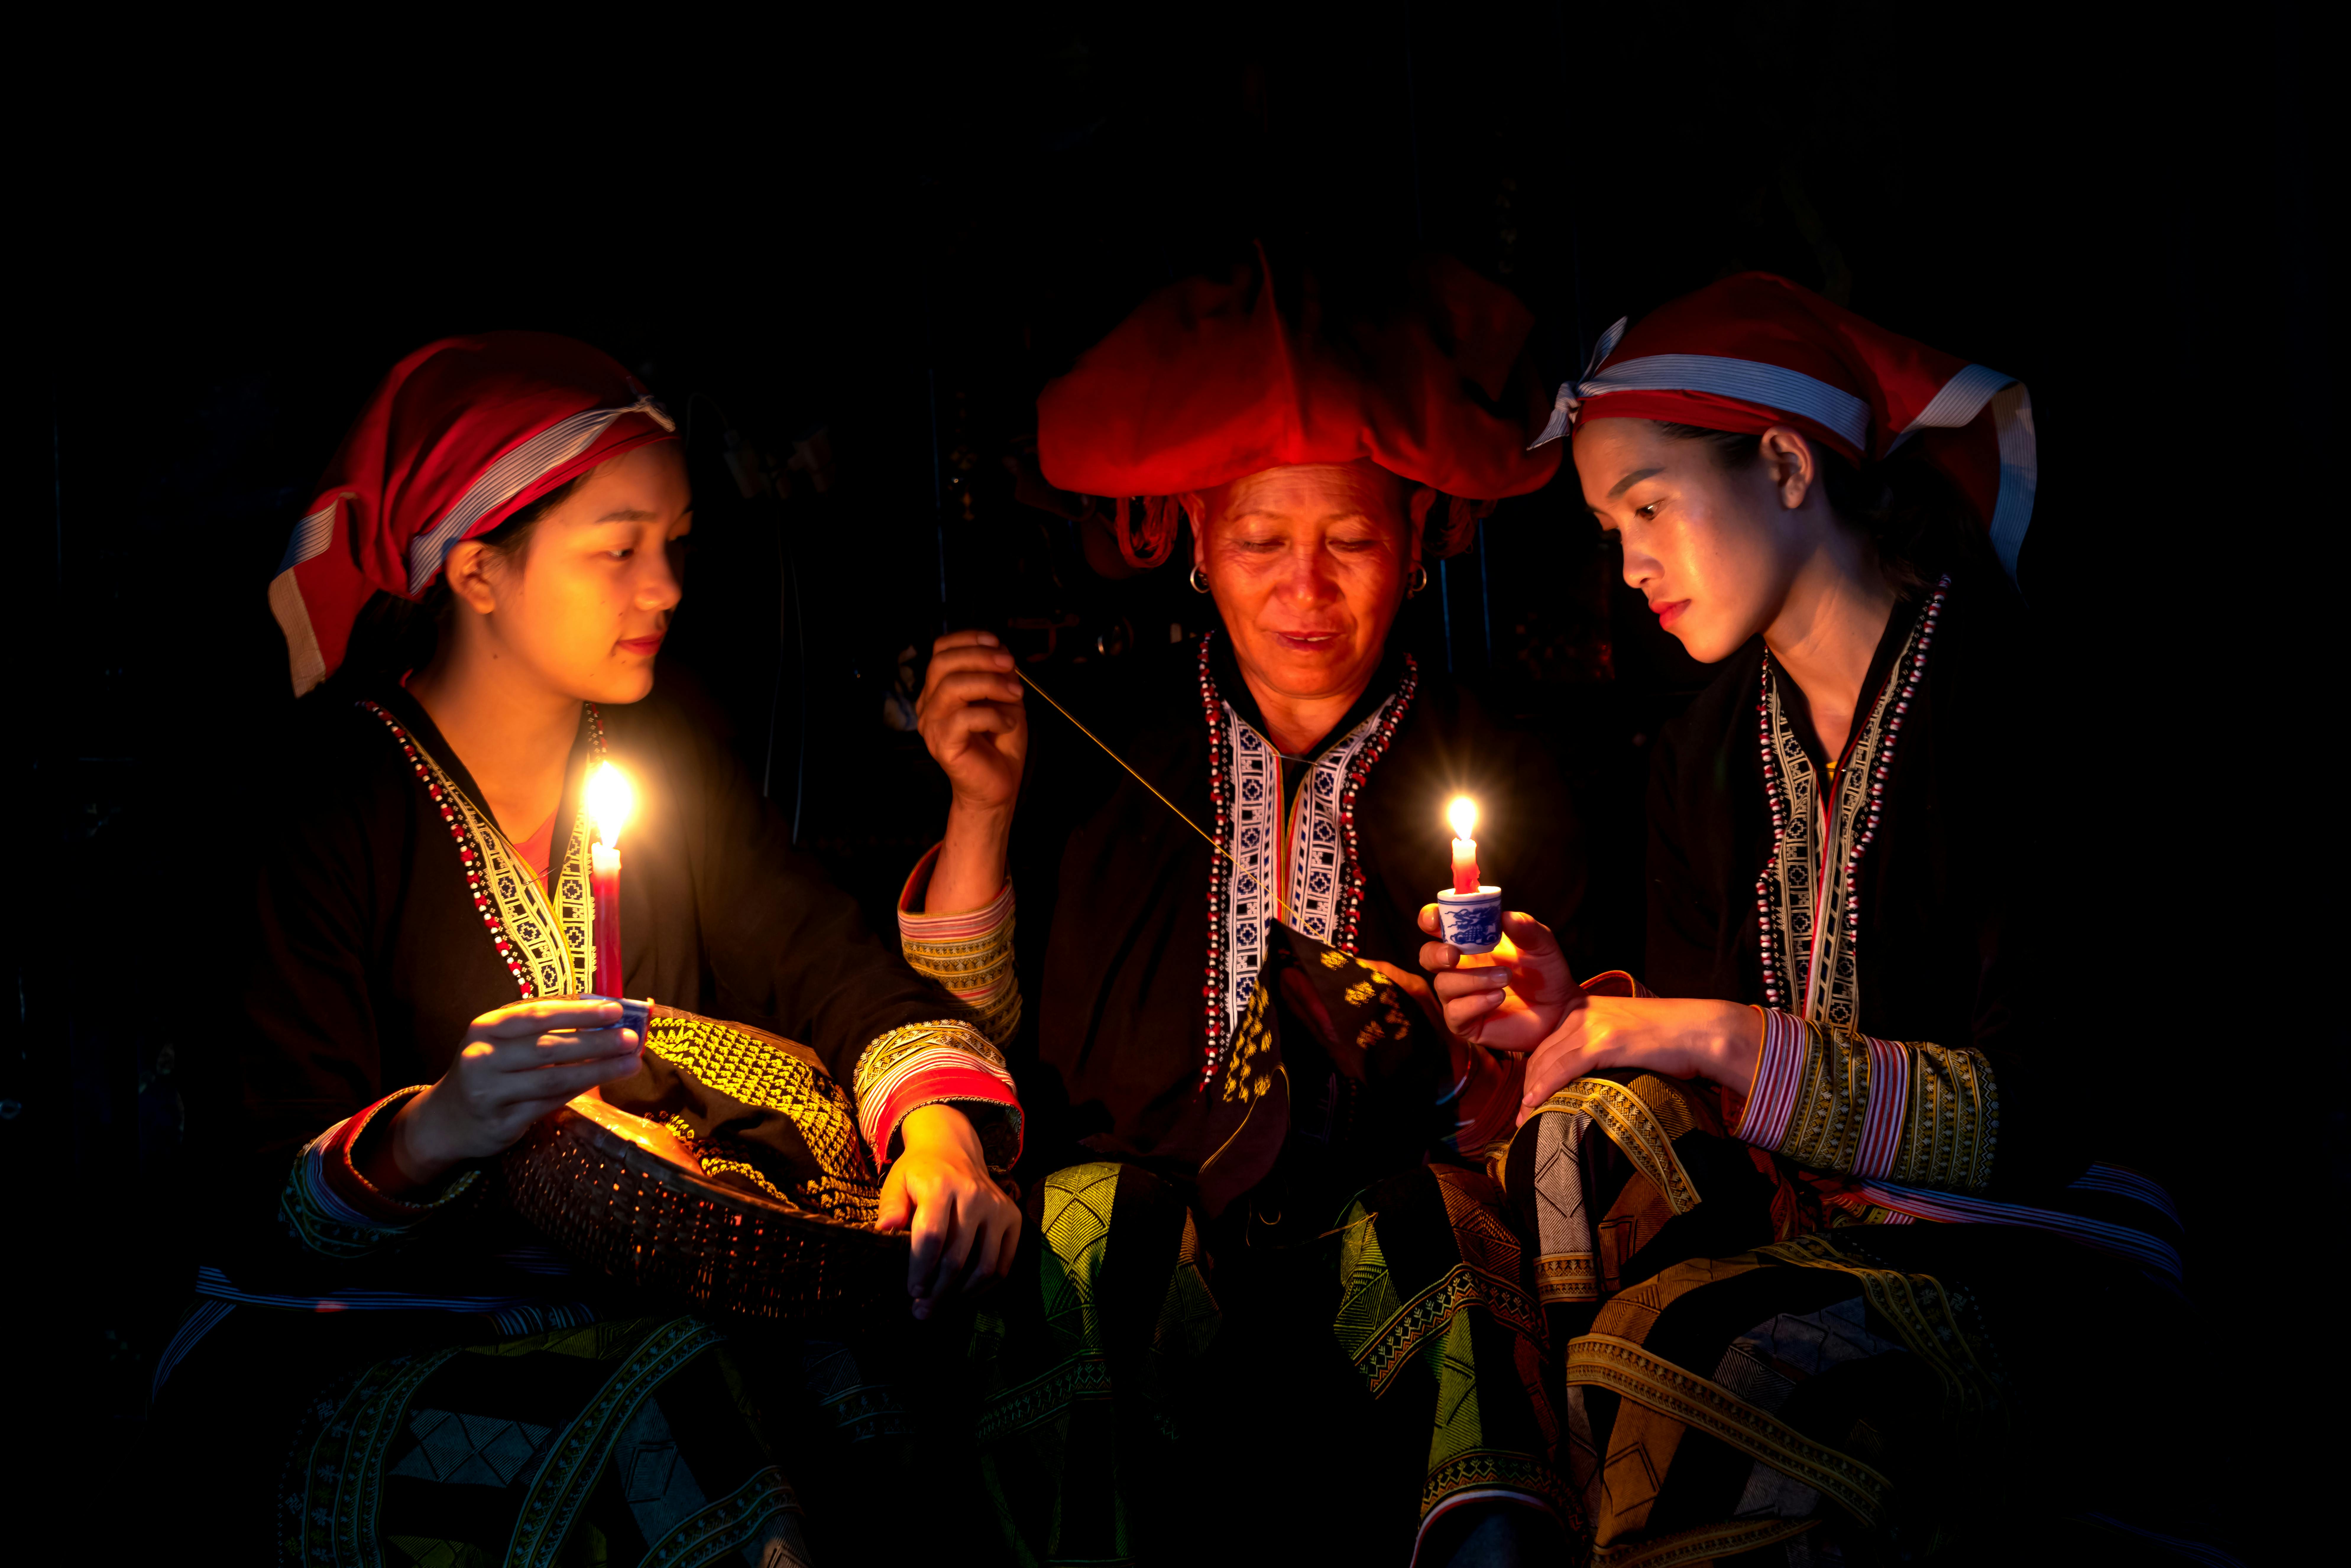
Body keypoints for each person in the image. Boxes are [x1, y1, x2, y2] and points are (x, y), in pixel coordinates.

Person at [154, 333, 1022, 1567]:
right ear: (479, 572)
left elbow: (828, 961)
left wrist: (935, 1133)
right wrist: (433, 1129)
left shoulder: (657, 759)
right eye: (617, 550)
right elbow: (262, 1192)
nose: (663, 588)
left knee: (859, 1374)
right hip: (346, 1336)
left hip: (641, 1305)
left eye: (673, 545)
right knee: (687, 1400)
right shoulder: (325, 806)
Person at [1422, 274, 2219, 1561]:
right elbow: (1705, 1077)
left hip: (2044, 1241)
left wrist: (1722, 1040)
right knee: (1565, 1143)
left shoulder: (2017, 696)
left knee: (1691, 1348)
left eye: (1648, 507)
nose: (1627, 566)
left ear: (1783, 465)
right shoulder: (1700, 748)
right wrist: (1577, 1020)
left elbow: (2041, 1111)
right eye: (1606, 526)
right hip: (1810, 1227)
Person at [900, 252, 1589, 1566]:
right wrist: (980, 810)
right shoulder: (1093, 764)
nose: (1305, 592)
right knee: (1095, 1223)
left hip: (1386, 1234)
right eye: (1263, 542)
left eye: (1350, 542)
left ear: (1419, 549)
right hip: (1136, 1237)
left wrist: (1496, 1047)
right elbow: (961, 1044)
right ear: (1197, 547)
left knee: (1430, 1225)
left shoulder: (1511, 776)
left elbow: (1564, 1084)